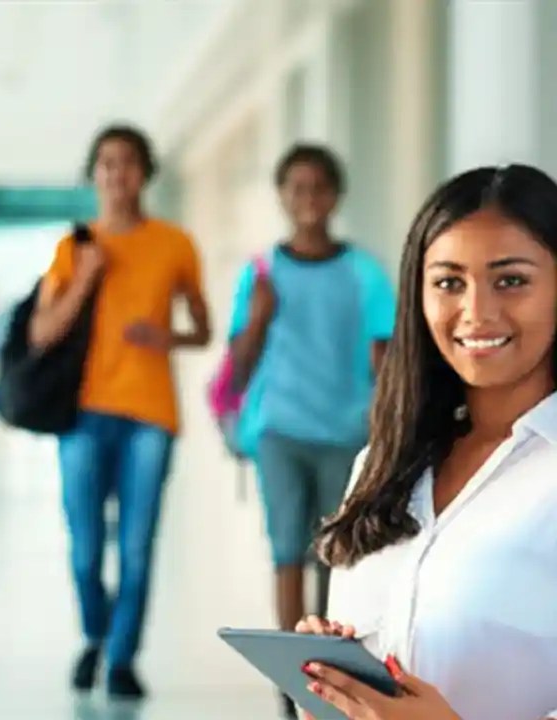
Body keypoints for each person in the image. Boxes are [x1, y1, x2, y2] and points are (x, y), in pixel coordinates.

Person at [296, 164, 557, 720]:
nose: (477, 312)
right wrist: (331, 683)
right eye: (448, 282)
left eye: (510, 279)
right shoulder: (384, 461)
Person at [29, 125, 211, 698]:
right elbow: (41, 333)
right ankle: (94, 636)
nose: (117, 174)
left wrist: (167, 337)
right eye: (106, 163)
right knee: (85, 549)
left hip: (150, 414)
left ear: (145, 173)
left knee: (136, 548)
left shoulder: (175, 243)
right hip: (82, 414)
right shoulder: (74, 246)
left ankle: (124, 658)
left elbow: (203, 328)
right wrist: (85, 277)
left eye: (128, 162)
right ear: (95, 173)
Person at [225, 145, 396, 716]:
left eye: (318, 188)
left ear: (335, 196)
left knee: (335, 556)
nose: (308, 200)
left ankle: (324, 669)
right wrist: (260, 315)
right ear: (281, 196)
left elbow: (385, 357)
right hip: (279, 429)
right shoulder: (261, 274)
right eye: (296, 188)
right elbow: (238, 364)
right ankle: (289, 678)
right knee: (284, 552)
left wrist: (391, 428)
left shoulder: (362, 272)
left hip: (346, 434)